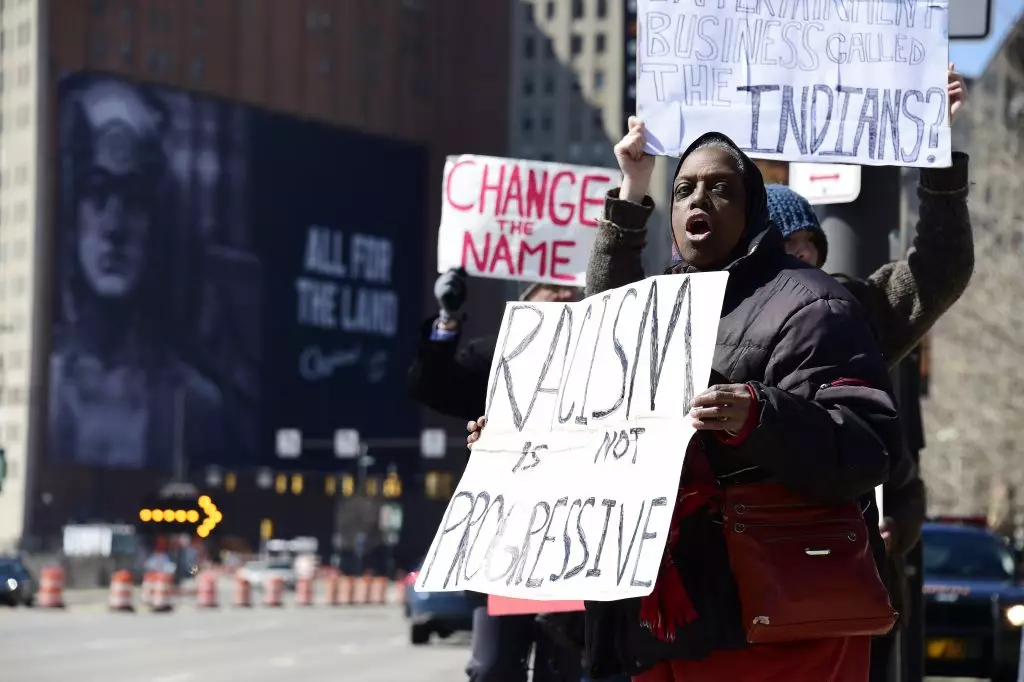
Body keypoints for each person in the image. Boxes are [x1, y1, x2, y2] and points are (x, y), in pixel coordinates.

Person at [470, 125, 904, 682]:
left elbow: (867, 445)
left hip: (778, 624)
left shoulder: (814, 304)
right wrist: (514, 446)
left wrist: (761, 416)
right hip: (660, 624)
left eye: (720, 188)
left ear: (752, 210)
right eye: (684, 189)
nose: (699, 198)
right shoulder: (656, 306)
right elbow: (598, 422)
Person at [764, 64, 971, 682]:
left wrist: (934, 151)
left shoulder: (855, 315)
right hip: (739, 584)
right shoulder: (706, 318)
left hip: (842, 589)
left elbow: (938, 267)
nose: (797, 257)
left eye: (808, 245)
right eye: (780, 245)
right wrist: (635, 191)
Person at [407, 270, 583, 682]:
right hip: (506, 543)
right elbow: (430, 386)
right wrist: (448, 317)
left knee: (563, 670)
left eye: (571, 290)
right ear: (526, 301)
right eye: (551, 287)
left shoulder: (602, 363)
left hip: (572, 544)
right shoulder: (495, 358)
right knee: (492, 668)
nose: (563, 295)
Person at [50, 76, 224, 471]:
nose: (115, 227)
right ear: (71, 216)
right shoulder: (39, 391)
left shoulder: (197, 406)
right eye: (97, 193)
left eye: (135, 199)